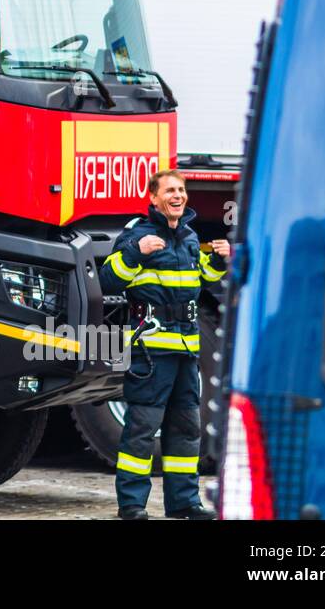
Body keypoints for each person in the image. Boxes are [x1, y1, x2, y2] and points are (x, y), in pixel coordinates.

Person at [100, 169, 228, 520]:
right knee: (142, 429)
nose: (178, 196)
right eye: (170, 190)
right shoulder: (136, 235)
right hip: (151, 352)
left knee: (187, 429)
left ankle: (184, 502)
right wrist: (136, 254)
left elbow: (201, 277)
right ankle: (132, 505)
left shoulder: (187, 236)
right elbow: (108, 279)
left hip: (186, 351)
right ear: (153, 198)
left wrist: (217, 260)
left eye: (182, 190)